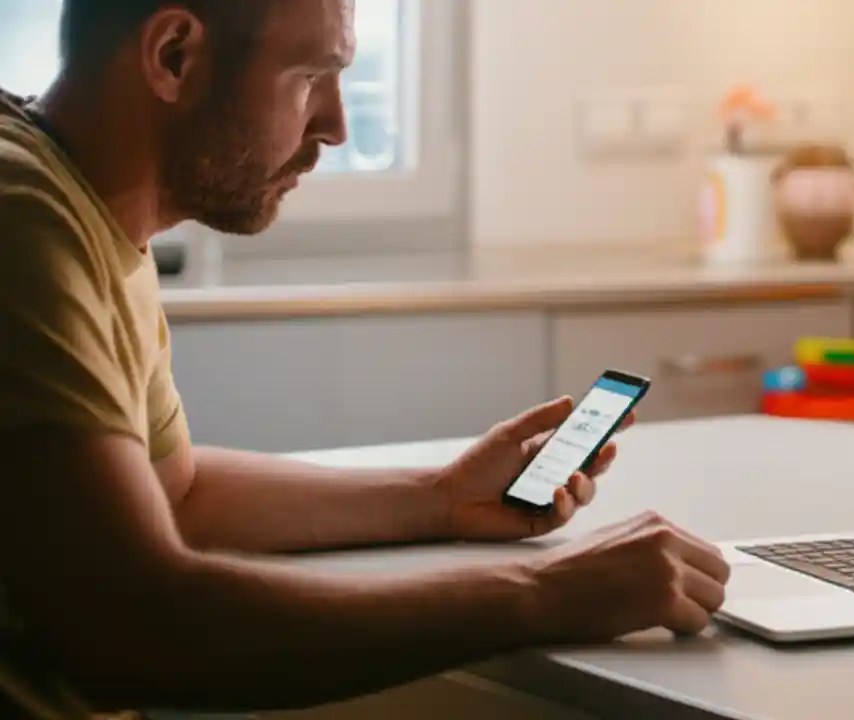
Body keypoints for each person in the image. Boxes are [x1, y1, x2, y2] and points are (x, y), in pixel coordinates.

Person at [0, 1, 730, 716]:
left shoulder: (81, 200)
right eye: (310, 77)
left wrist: (439, 496)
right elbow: (136, 627)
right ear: (174, 57)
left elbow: (177, 494)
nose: (336, 126)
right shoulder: (22, 220)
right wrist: (543, 594)